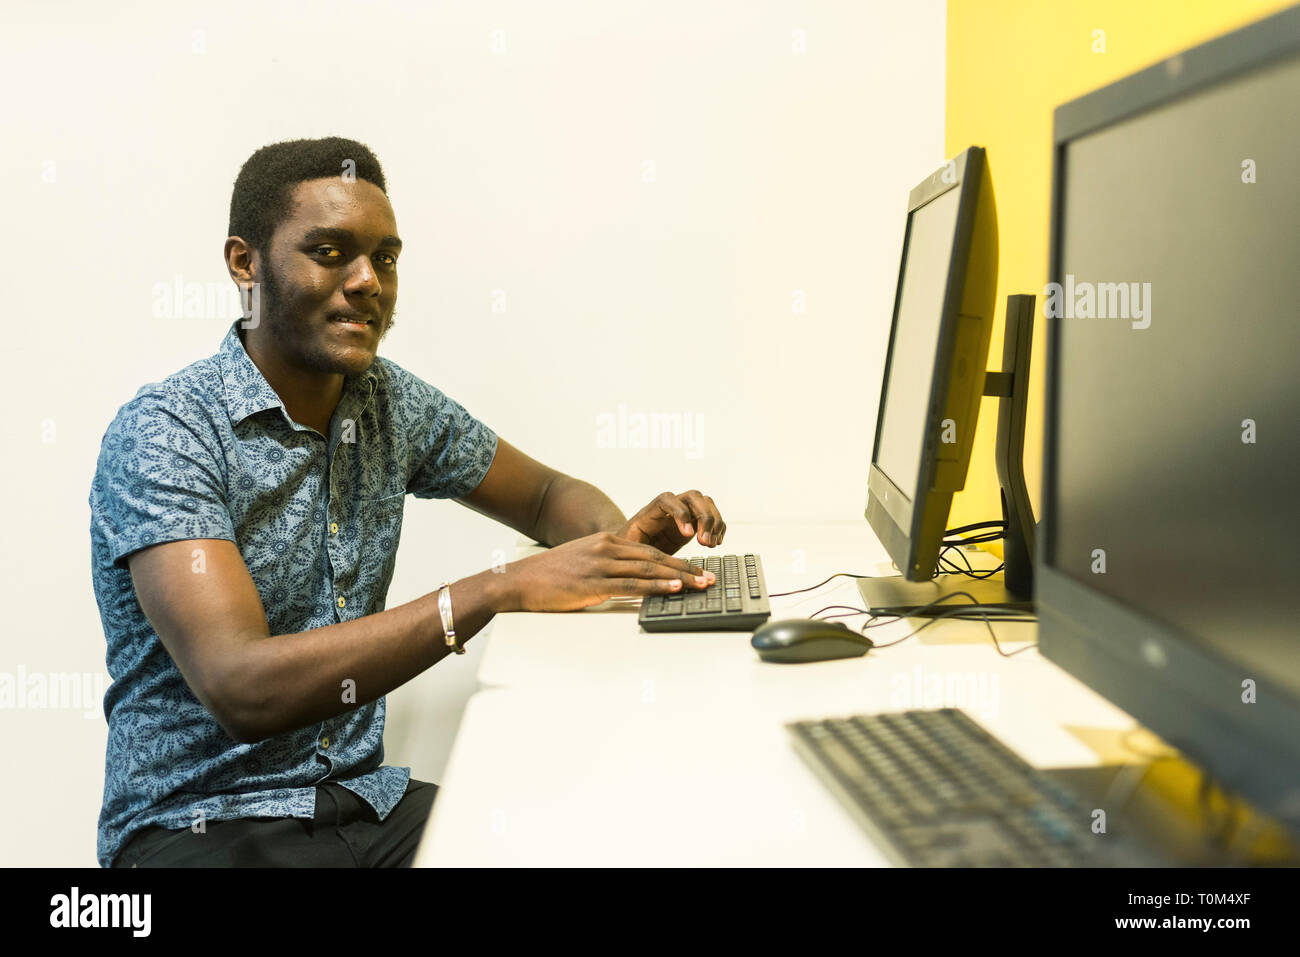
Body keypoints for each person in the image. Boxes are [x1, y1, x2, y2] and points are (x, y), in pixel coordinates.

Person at [90, 136, 726, 867]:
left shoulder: (386, 401)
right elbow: (242, 687)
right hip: (200, 827)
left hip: (367, 805)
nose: (367, 280)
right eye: (329, 252)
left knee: (595, 834)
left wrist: (619, 545)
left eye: (385, 258)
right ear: (246, 264)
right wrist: (491, 591)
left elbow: (549, 494)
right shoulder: (167, 433)